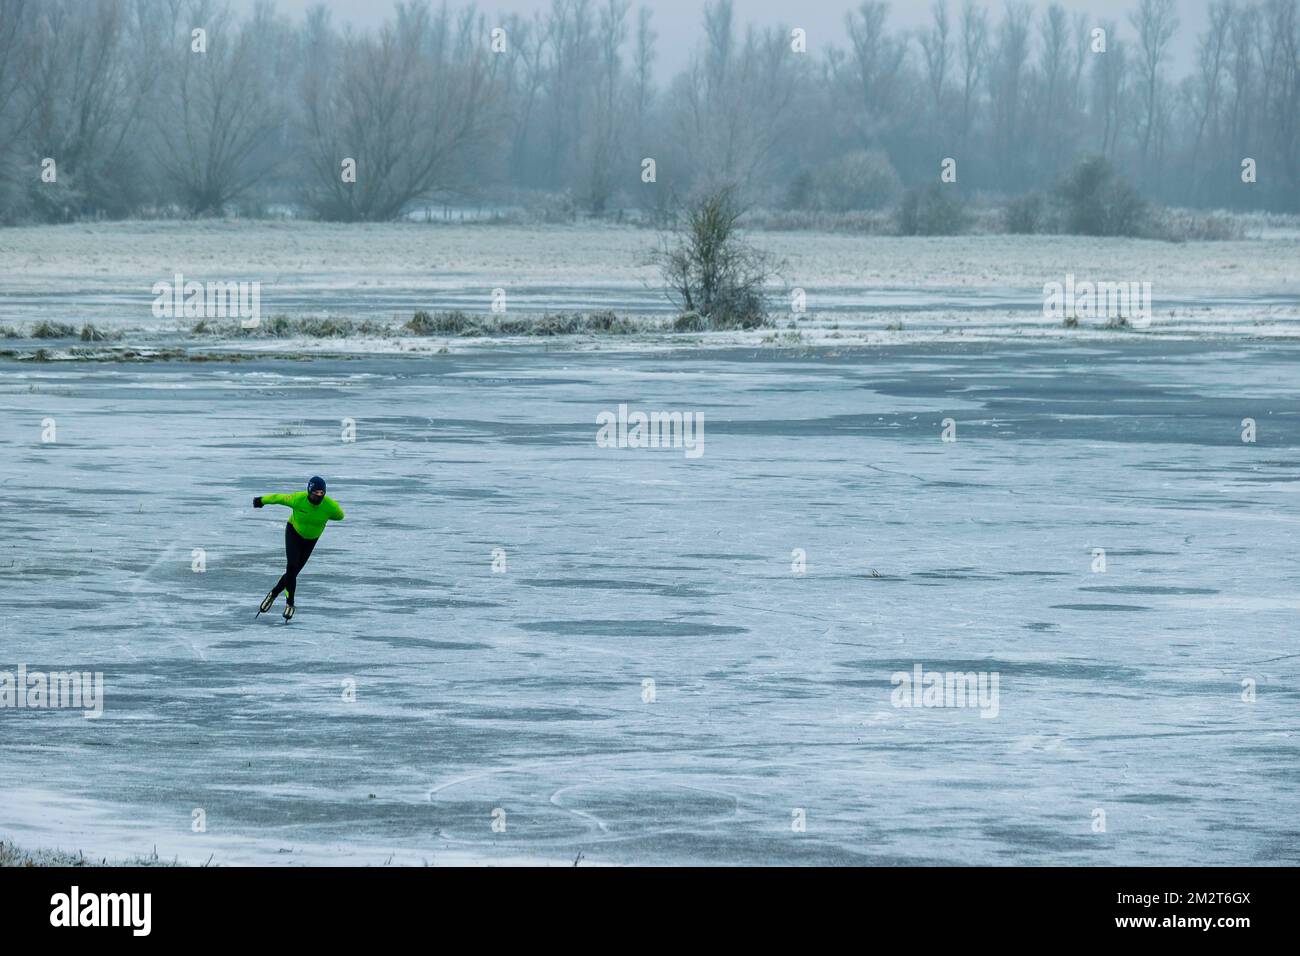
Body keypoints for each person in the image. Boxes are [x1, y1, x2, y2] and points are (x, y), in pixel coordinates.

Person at [253, 476, 344, 620]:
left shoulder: (330, 507)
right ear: (309, 491)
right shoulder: (298, 499)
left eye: (321, 493)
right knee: (292, 566)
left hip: (311, 540)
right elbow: (278, 498)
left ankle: (273, 594)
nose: (318, 496)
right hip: (293, 533)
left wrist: (323, 517)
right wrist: (262, 500)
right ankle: (290, 603)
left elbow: (340, 516)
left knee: (293, 572)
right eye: (315, 493)